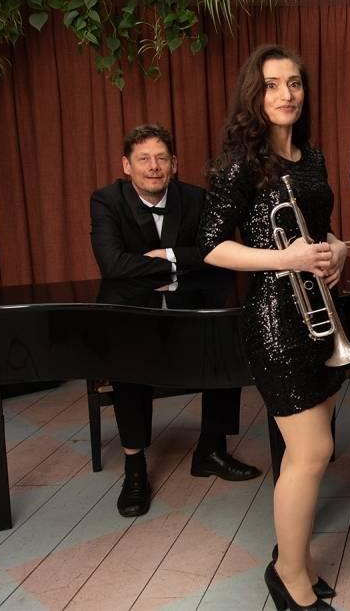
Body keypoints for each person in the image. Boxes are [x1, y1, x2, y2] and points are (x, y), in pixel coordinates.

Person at [199, 45, 342, 610]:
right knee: (313, 452)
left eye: (294, 84)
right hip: (275, 321)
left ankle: (295, 559)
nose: (286, 94)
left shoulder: (314, 158)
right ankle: (288, 576)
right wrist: (286, 260)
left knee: (303, 454)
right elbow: (211, 247)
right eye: (273, 85)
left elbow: (323, 233)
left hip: (319, 318)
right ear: (253, 96)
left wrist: (334, 254)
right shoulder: (240, 163)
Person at [89, 124, 259, 519]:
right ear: (126, 166)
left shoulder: (197, 199)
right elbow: (111, 265)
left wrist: (166, 256)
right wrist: (186, 256)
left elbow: (216, 251)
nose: (153, 167)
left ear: (175, 164)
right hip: (134, 316)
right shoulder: (106, 200)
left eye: (161, 158)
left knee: (223, 337)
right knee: (127, 362)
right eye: (144, 159)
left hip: (189, 311)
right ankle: (135, 470)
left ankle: (211, 451)